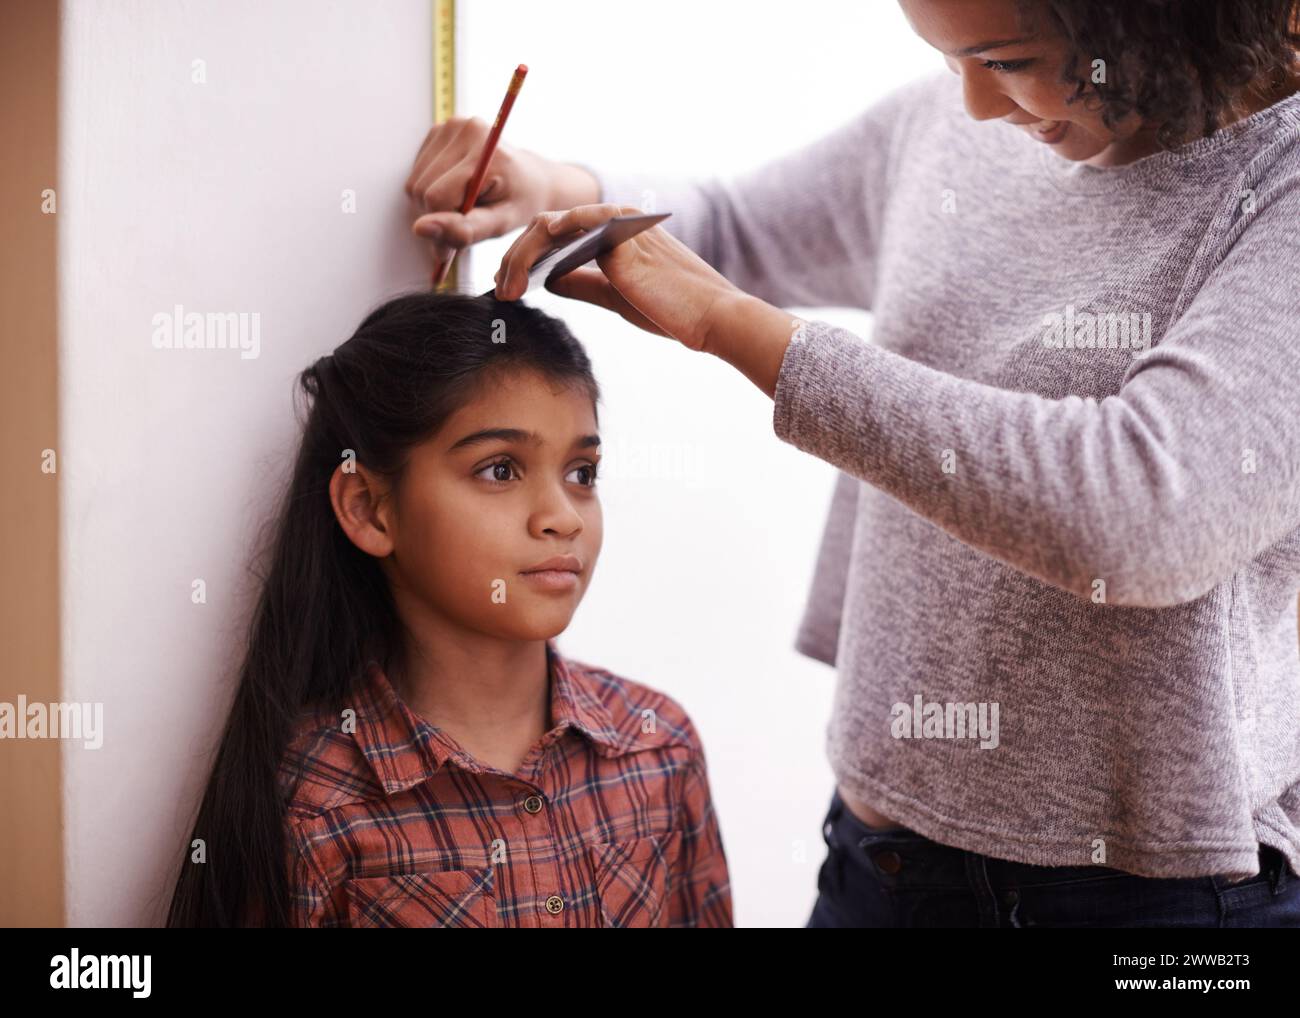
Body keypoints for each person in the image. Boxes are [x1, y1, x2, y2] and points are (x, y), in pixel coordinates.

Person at [407, 0, 1300, 927]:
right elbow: (733, 227)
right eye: (950, 57)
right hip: (883, 863)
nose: (976, 105)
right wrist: (550, 184)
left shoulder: (1280, 188)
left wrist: (746, 334)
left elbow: (1143, 514)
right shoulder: (944, 125)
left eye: (1008, 59)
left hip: (1163, 908)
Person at [166, 291, 732, 927]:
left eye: (582, 473)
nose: (563, 518)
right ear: (370, 508)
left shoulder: (659, 747)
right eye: (499, 470)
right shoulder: (315, 803)